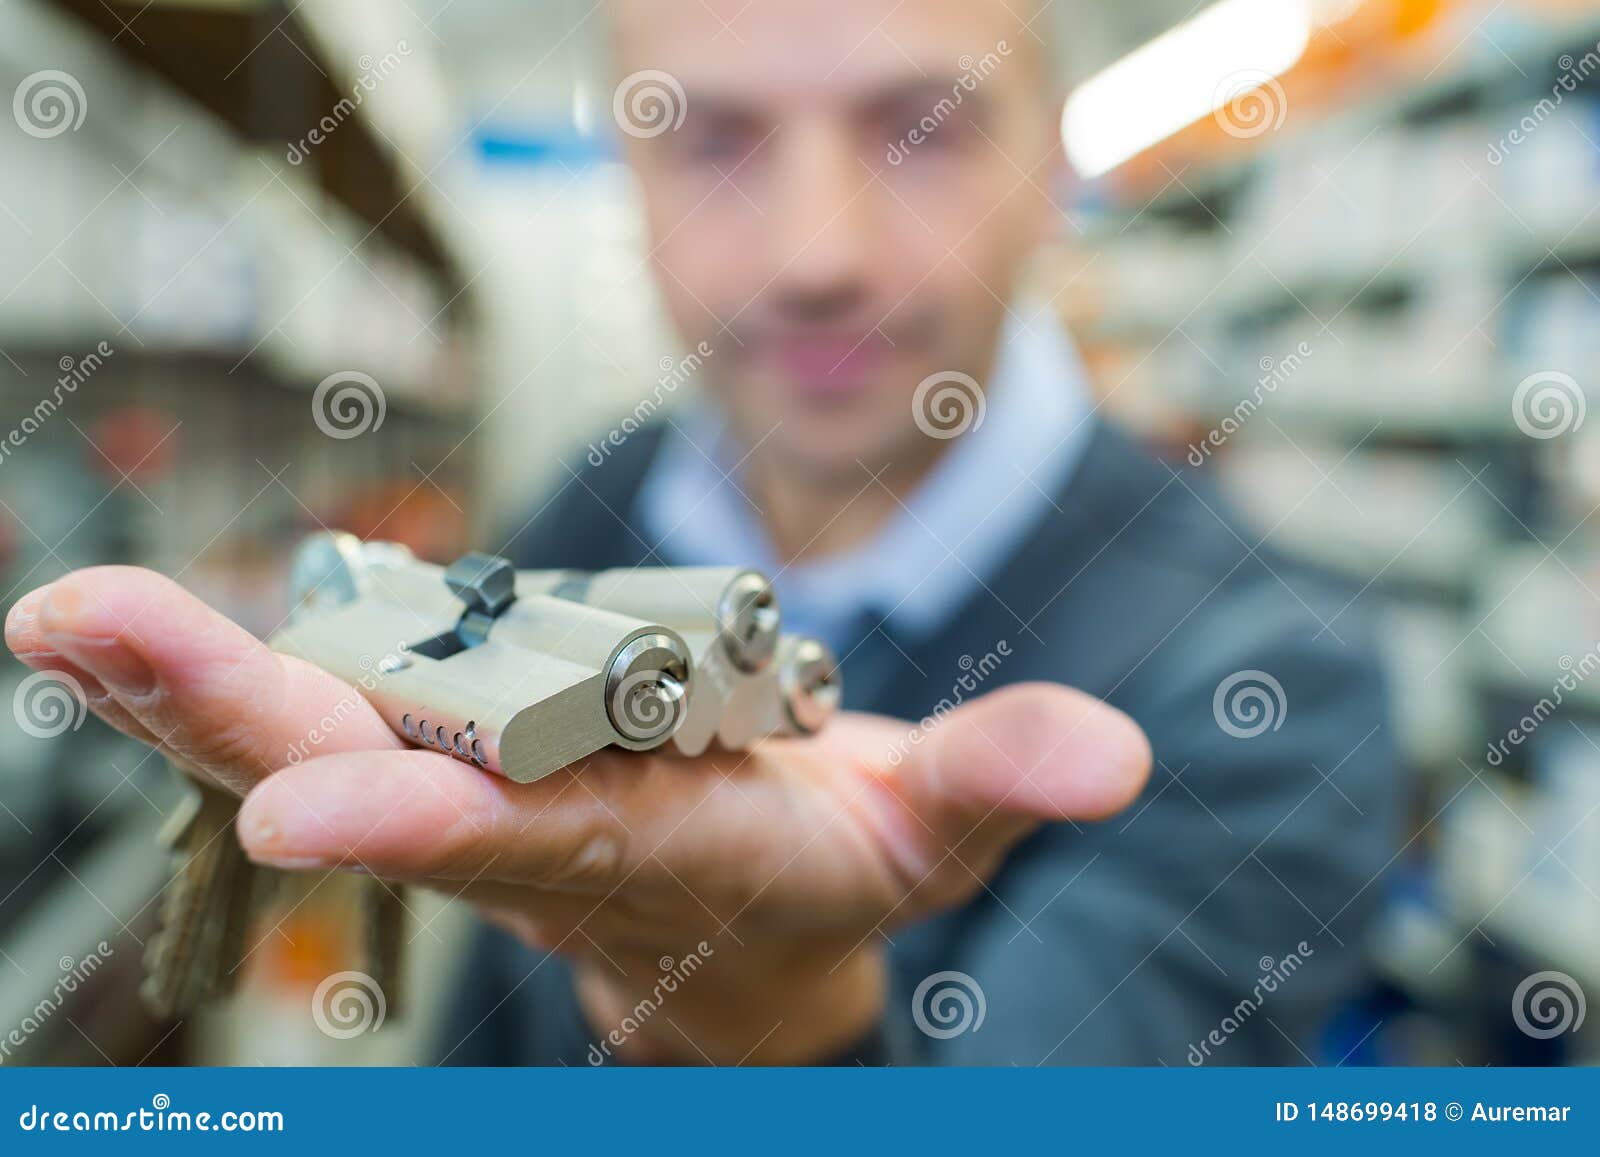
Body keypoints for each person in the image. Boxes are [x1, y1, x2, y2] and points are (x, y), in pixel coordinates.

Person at [4, 0, 1400, 1066]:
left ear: (1053, 164)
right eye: (715, 138)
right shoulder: (585, 510)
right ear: (631, 170)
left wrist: (766, 1007)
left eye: (921, 127)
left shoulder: (1273, 680)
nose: (816, 256)